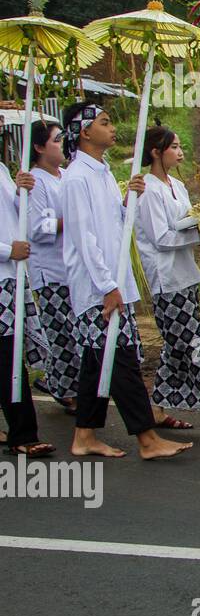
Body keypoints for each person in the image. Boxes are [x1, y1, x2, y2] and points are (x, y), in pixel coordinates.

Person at [60, 101, 191, 460]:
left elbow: (112, 224)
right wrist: (108, 286)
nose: (112, 127)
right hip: (98, 285)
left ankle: (84, 435)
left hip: (112, 281)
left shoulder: (99, 170)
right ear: (84, 131)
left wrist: (127, 200)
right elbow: (84, 239)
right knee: (122, 360)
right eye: (104, 122)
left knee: (96, 361)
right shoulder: (76, 178)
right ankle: (147, 439)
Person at [135, 126, 200, 432]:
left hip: (185, 275)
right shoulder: (149, 190)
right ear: (156, 151)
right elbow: (161, 237)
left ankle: (155, 407)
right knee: (194, 343)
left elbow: (185, 220)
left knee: (177, 346)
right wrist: (196, 232)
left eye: (181, 146)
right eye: (174, 147)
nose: (180, 152)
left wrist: (197, 224)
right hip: (167, 279)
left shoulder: (176, 185)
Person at [0, 157, 52, 456]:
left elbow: (17, 220)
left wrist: (23, 194)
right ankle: (23, 434)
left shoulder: (3, 170)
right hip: (5, 272)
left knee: (8, 352)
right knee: (8, 356)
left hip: (12, 279)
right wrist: (8, 251)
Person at [28, 121, 78, 416]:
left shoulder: (66, 176)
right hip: (50, 271)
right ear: (39, 147)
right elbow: (40, 228)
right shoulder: (37, 182)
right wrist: (72, 218)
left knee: (73, 332)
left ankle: (63, 384)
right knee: (63, 334)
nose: (62, 144)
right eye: (57, 140)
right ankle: (65, 388)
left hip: (71, 267)